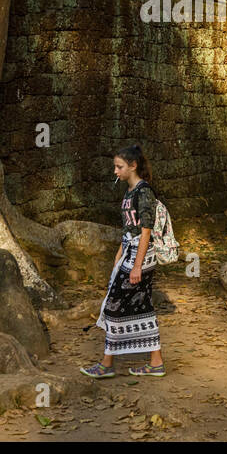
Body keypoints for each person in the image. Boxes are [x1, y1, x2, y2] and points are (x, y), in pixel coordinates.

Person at [80, 144, 165, 378]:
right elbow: (129, 227)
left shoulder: (144, 192)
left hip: (141, 255)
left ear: (133, 166)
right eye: (115, 167)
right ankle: (155, 362)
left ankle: (107, 364)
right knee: (142, 305)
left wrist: (137, 266)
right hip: (130, 251)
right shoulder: (129, 192)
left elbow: (146, 231)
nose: (115, 171)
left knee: (113, 305)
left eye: (119, 167)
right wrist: (119, 253)